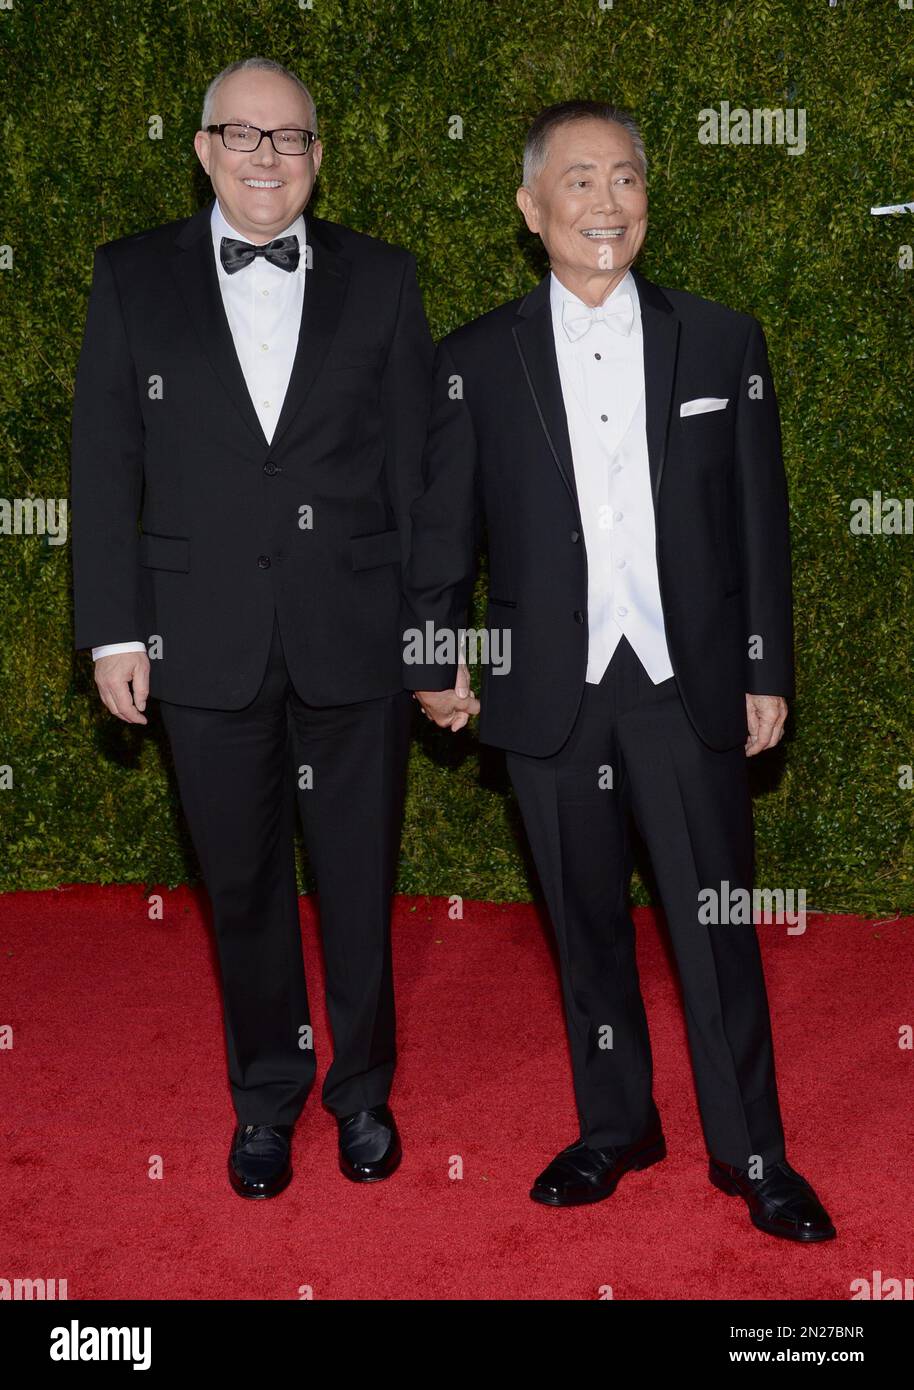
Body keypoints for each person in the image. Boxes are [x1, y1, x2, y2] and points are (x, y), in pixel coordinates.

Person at [404, 100, 835, 1242]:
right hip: (547, 690)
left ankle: (753, 1154)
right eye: (579, 181)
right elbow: (439, 534)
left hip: (682, 685)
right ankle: (615, 1127)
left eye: (627, 179)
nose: (607, 202)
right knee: (582, 928)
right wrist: (431, 652)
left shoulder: (720, 341)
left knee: (715, 926)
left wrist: (764, 667)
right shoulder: (471, 361)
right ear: (529, 209)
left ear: (649, 198)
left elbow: (759, 525)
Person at [71, 57, 434, 1199]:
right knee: (239, 885)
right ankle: (266, 1101)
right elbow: (104, 463)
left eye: (288, 138)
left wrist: (433, 639)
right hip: (197, 636)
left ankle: (364, 1091)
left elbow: (421, 476)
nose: (265, 157)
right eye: (241, 134)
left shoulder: (383, 280)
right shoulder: (131, 277)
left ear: (319, 156)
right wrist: (112, 632)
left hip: (358, 635)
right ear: (201, 148)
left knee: (359, 874)